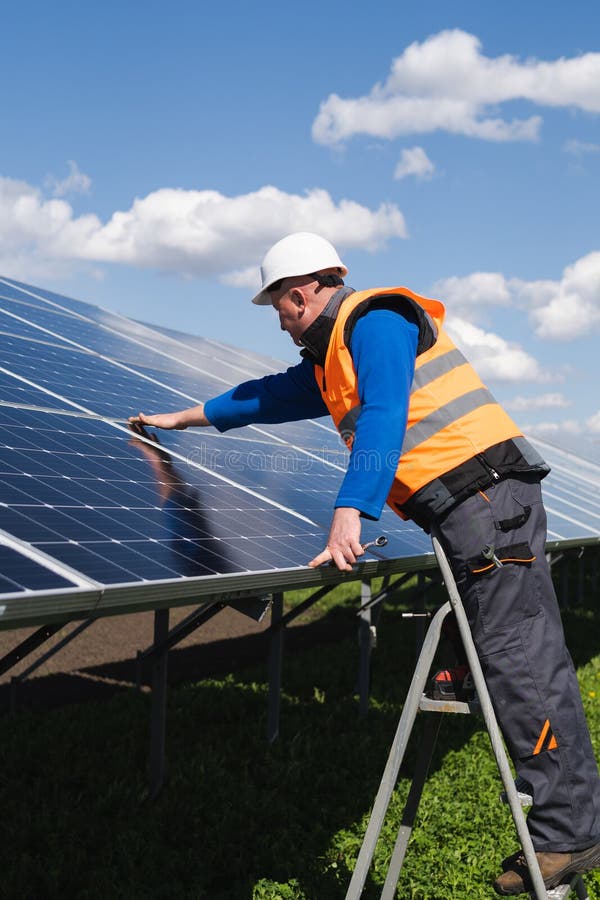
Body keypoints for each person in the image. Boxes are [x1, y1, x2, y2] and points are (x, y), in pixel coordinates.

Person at [129, 231, 600, 895]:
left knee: (525, 662)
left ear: (299, 295)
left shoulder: (377, 320)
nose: (280, 322)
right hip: (473, 509)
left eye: (278, 309)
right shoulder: (331, 358)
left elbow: (386, 412)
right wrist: (185, 418)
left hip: (486, 498)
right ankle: (554, 803)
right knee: (505, 654)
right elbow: (267, 397)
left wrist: (353, 507)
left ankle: (567, 834)